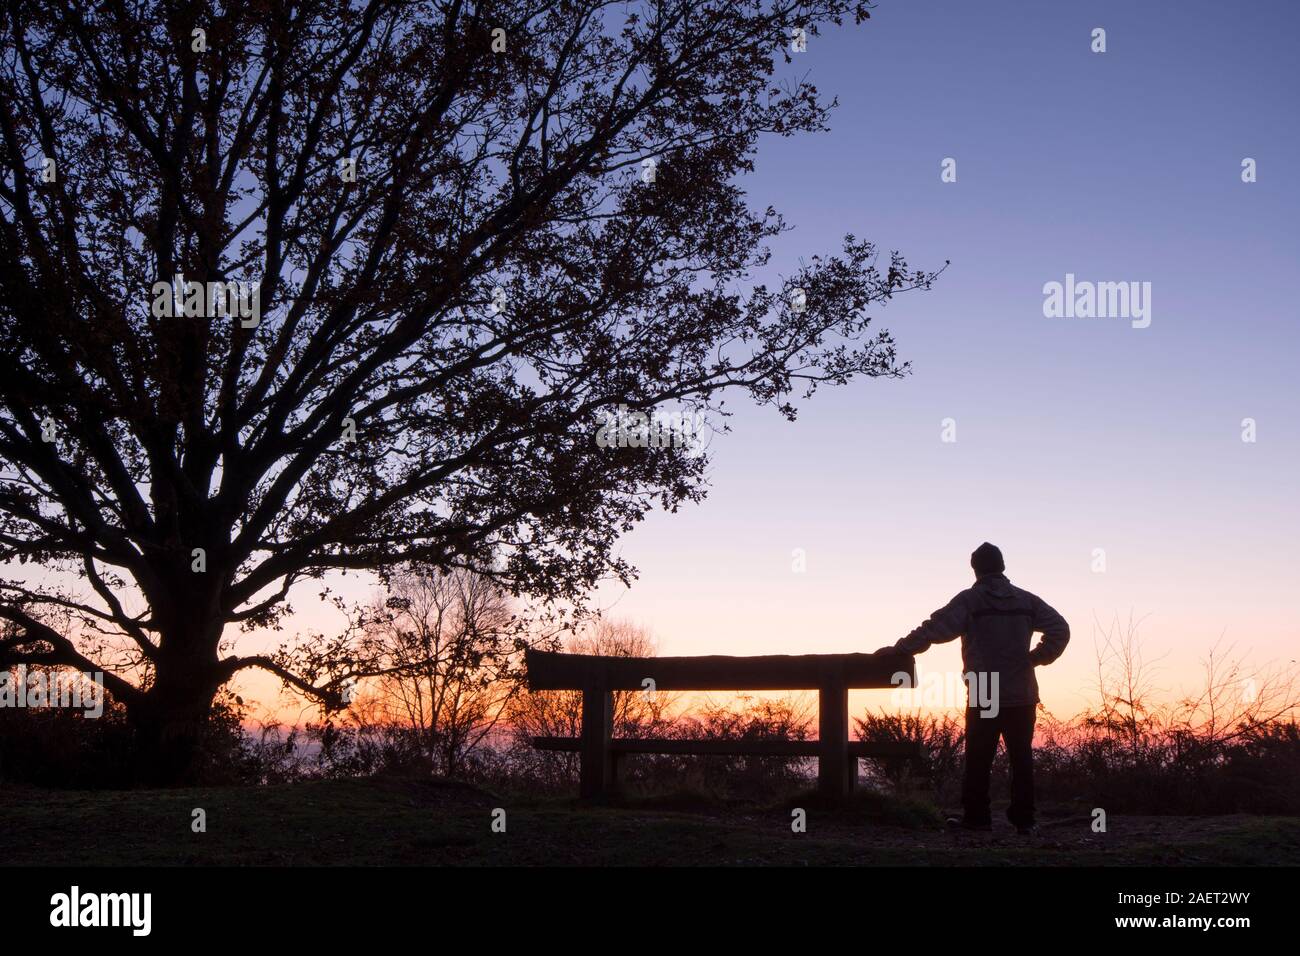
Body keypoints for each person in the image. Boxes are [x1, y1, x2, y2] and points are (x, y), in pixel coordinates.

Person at [885, 542, 1069, 834]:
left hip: (985, 686)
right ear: (1003, 566)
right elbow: (1060, 628)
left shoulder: (971, 601)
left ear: (976, 569)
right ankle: (1024, 820)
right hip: (1021, 689)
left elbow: (935, 628)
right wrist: (1036, 658)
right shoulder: (1026, 601)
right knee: (1021, 758)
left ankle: (978, 819)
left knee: (979, 757)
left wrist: (900, 649)